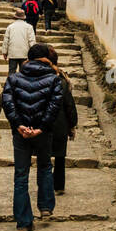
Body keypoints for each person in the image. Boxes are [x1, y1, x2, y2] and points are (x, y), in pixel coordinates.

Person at [2, 43, 64, 231]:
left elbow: (8, 103)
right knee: (45, 166)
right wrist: (41, 128)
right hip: (43, 133)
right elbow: (54, 106)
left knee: (21, 175)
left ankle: (23, 222)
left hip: (20, 134)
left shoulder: (13, 79)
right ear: (46, 58)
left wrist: (19, 125)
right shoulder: (54, 80)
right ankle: (45, 207)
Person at [44, 44, 77, 195]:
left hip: (43, 122)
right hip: (60, 122)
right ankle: (59, 185)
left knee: (44, 156)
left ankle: (45, 184)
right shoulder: (63, 79)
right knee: (60, 156)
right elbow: (69, 104)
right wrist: (72, 124)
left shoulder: (40, 78)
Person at [2, 9, 35, 74]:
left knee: (11, 72)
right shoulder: (29, 27)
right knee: (23, 72)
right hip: (24, 53)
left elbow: (6, 40)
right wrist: (33, 54)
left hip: (12, 53)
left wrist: (4, 52)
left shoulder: (10, 27)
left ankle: (11, 84)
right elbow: (32, 41)